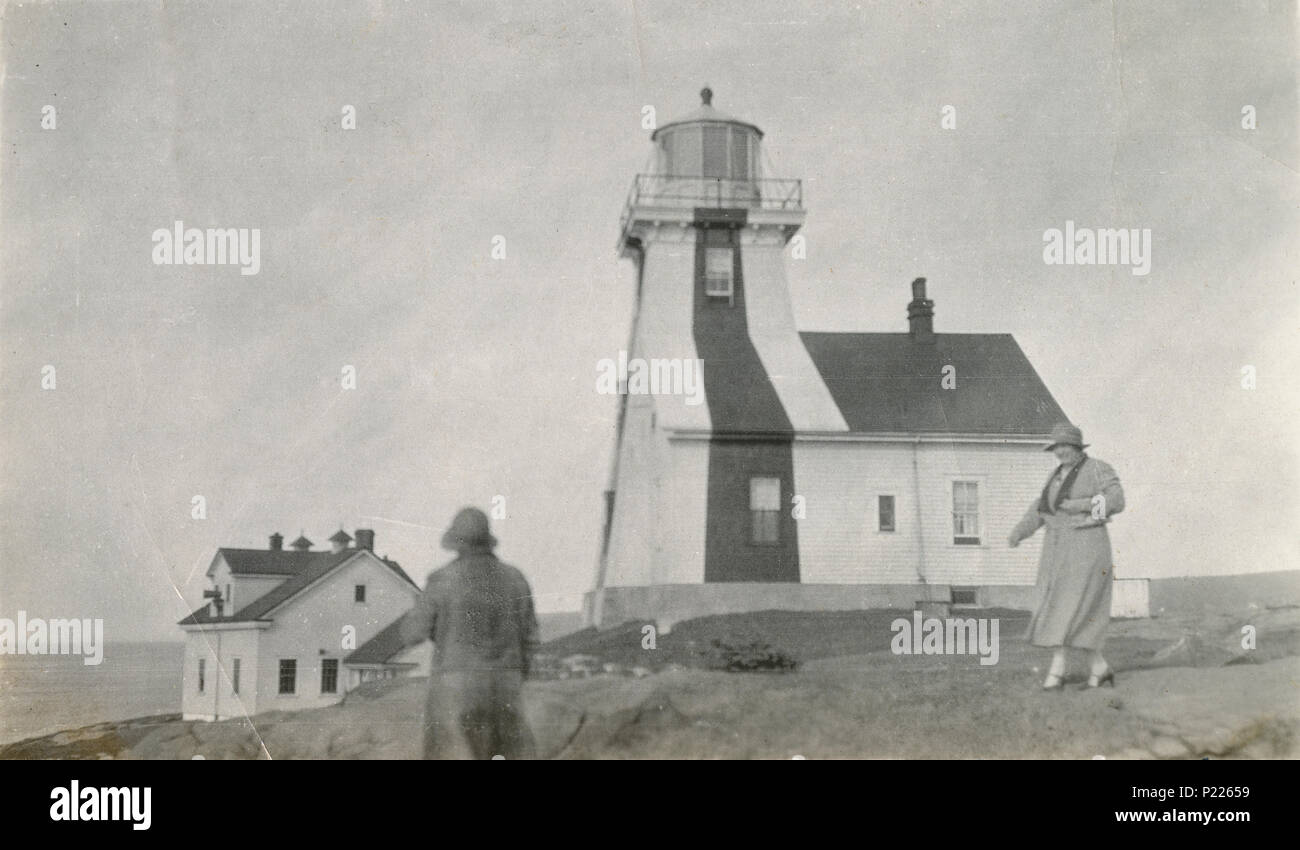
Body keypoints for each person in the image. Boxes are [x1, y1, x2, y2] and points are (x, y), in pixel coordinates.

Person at [399, 506, 540, 758]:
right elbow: (531, 638)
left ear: (456, 543)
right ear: (488, 541)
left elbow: (412, 634)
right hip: (506, 684)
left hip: (456, 686)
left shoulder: (443, 579)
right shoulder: (515, 578)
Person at [1008, 422, 1125, 690]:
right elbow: (1041, 509)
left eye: (1065, 446)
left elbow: (1117, 500)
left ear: (1077, 448)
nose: (1060, 452)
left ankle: (1057, 673)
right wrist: (1018, 533)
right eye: (1056, 447)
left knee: (1076, 609)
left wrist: (1080, 506)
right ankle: (1099, 668)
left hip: (1087, 548)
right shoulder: (1055, 476)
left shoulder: (1097, 468)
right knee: (1055, 608)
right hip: (1056, 550)